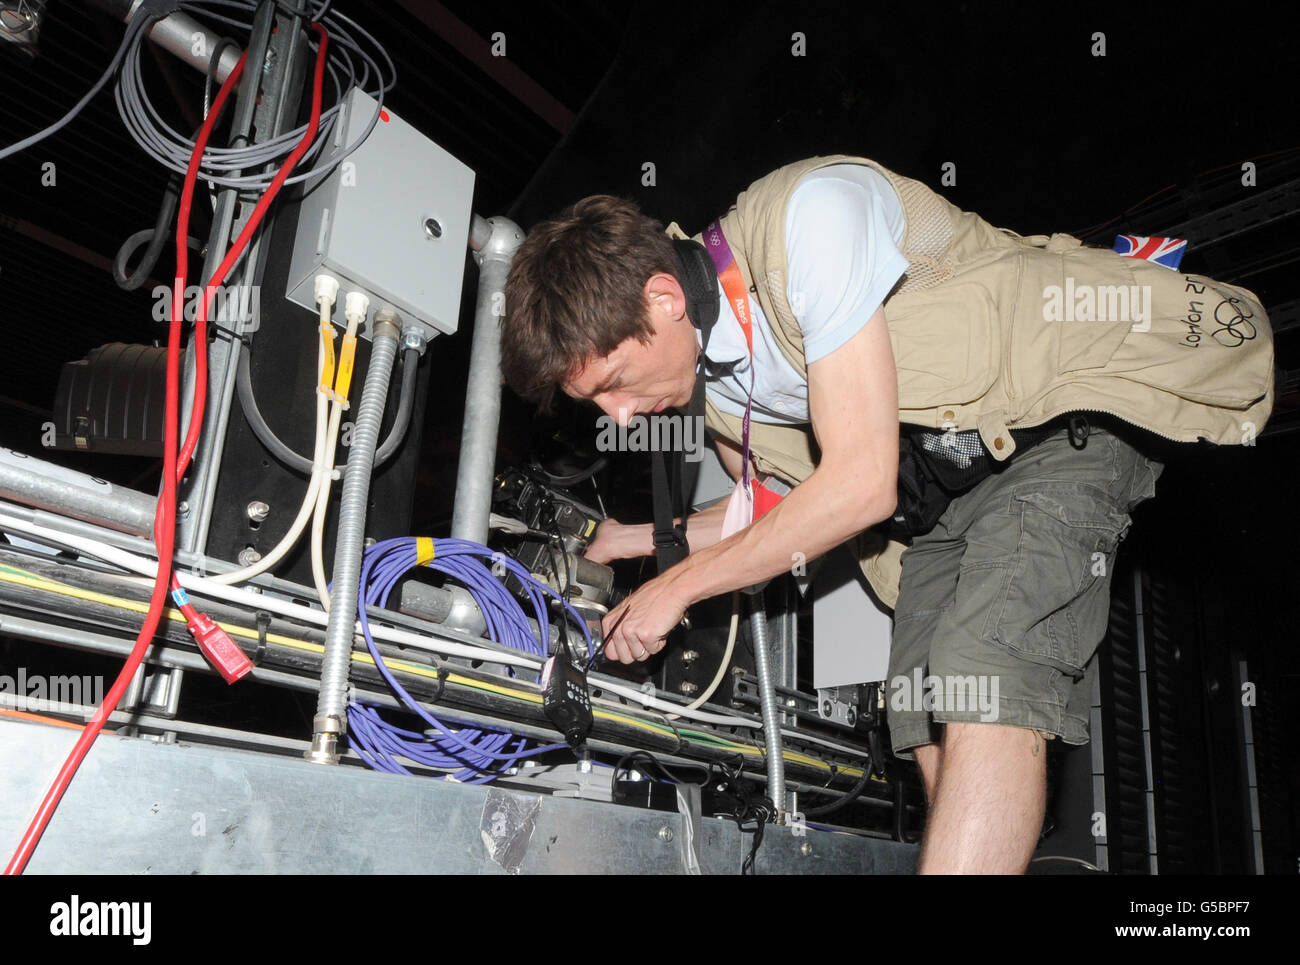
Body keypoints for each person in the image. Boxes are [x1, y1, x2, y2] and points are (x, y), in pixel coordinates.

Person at [499, 155, 1274, 873]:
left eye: (616, 384)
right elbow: (770, 510)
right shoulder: (715, 386)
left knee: (984, 663)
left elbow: (861, 482)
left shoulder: (809, 220)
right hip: (949, 496)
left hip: (1051, 419)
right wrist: (623, 543)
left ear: (662, 301)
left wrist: (680, 588)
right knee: (921, 707)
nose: (623, 418)